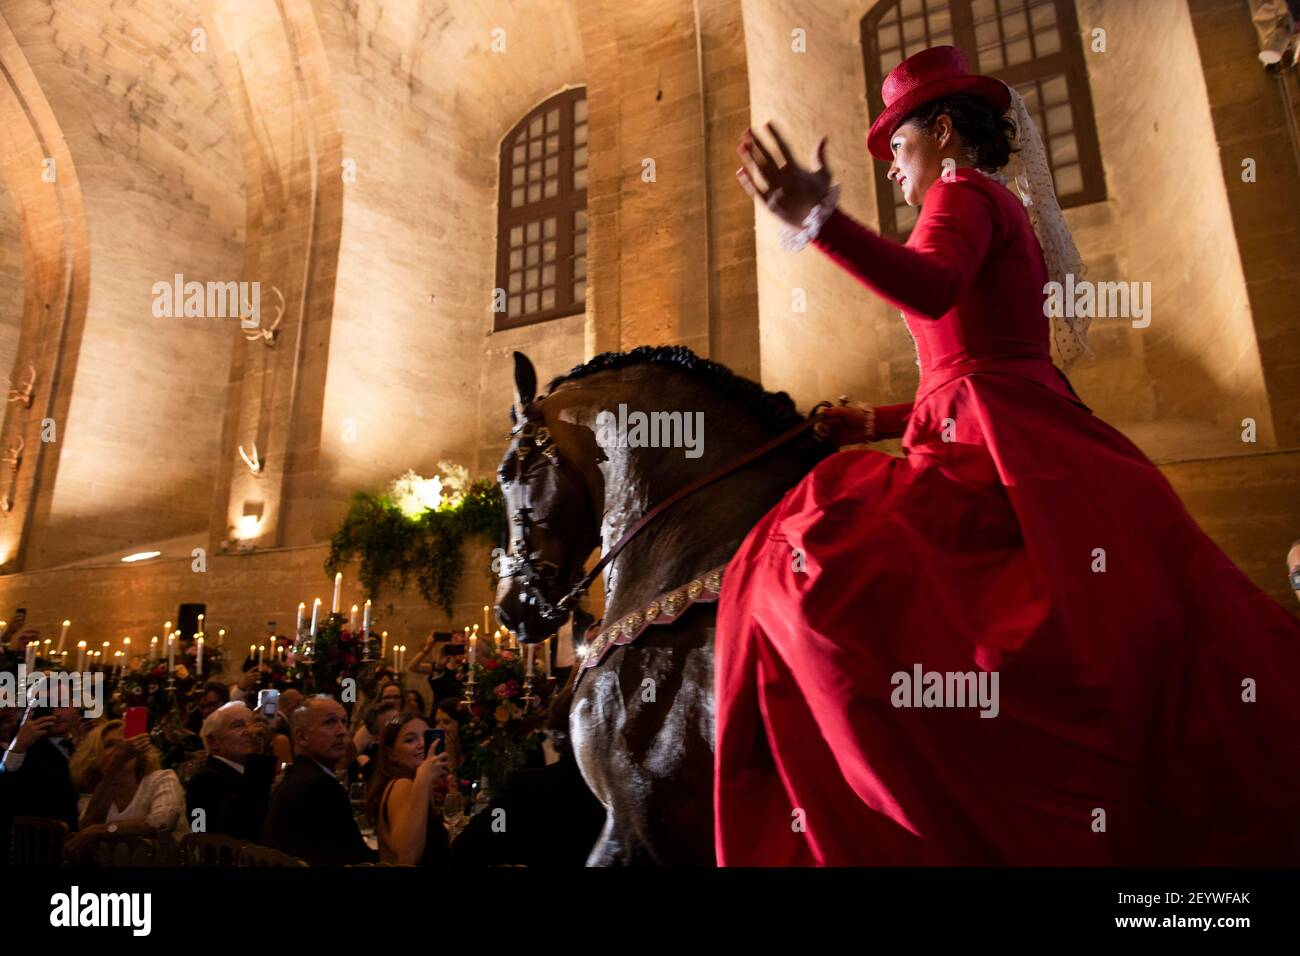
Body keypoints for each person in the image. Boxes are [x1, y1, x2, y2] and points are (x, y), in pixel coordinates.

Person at [721, 45, 1300, 866]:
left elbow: (930, 290)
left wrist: (820, 223)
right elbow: (981, 357)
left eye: (897, 149)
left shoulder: (959, 193)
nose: (891, 171)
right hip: (1005, 427)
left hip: (996, 447)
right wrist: (878, 418)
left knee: (810, 559)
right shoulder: (986, 200)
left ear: (945, 130)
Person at [261, 696, 376, 865]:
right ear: (301, 737)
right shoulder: (319, 785)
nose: (342, 731)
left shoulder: (298, 776)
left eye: (344, 721)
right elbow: (355, 858)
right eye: (330, 722)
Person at [66, 720, 187, 848]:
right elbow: (88, 828)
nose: (122, 748)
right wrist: (115, 767)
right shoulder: (92, 794)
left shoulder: (162, 779)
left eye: (125, 743)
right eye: (109, 745)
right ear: (93, 757)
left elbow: (162, 823)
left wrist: (100, 830)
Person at [364, 710, 451, 866]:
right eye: (410, 740)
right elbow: (407, 857)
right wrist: (423, 780)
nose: (422, 745)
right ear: (392, 755)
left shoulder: (412, 784)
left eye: (426, 737)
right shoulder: (402, 784)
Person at [0, 702, 81, 862]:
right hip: (42, 851)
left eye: (62, 705)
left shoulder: (83, 744)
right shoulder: (27, 749)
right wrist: (20, 745)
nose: (56, 714)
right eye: (49, 707)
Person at [185, 702, 276, 842]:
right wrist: (259, 757)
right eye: (238, 725)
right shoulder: (204, 780)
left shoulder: (249, 771)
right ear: (213, 741)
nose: (251, 732)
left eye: (252, 724)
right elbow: (243, 824)